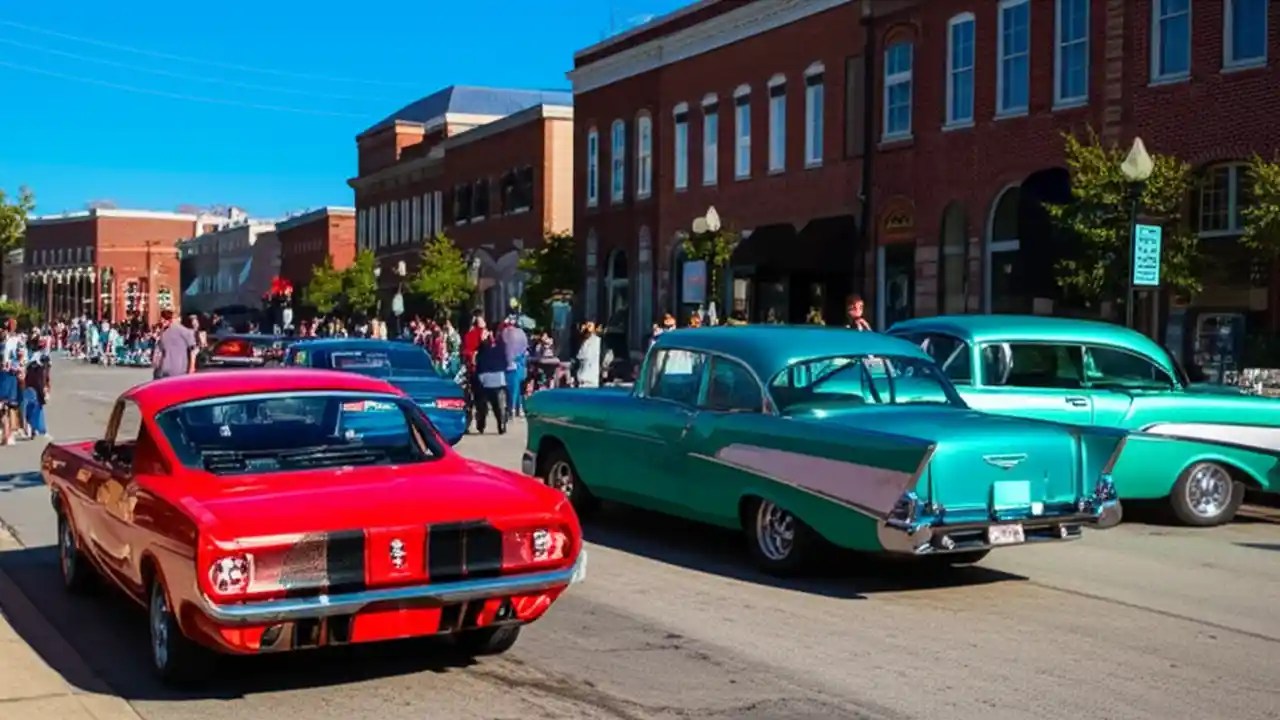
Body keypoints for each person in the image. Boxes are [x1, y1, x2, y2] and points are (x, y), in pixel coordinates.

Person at [473, 325, 508, 434]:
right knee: (499, 404)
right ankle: (501, 424)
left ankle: (481, 424)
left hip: (485, 377)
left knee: (482, 404)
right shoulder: (501, 346)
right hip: (498, 377)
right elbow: (505, 361)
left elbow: (478, 361)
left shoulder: (482, 347)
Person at [152, 309, 198, 379]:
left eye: (165, 320)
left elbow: (193, 349)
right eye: (161, 320)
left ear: (171, 319)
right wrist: (156, 365)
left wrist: (192, 367)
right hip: (163, 370)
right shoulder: (163, 332)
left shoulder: (181, 330)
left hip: (178, 371)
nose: (162, 322)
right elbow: (160, 350)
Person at [500, 318, 529, 418]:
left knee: (511, 389)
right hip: (518, 365)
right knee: (517, 389)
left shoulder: (505, 333)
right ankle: (518, 408)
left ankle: (512, 408)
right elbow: (524, 350)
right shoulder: (521, 333)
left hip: (509, 366)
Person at [575, 322, 601, 388]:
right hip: (581, 381)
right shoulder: (581, 342)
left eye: (589, 326)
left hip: (592, 382)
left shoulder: (598, 342)